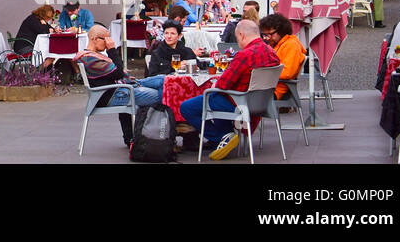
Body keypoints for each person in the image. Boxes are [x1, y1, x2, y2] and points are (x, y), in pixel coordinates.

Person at [177, 18, 280, 160]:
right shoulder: (272, 52)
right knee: (218, 97)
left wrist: (214, 85)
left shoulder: (244, 55)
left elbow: (223, 85)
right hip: (262, 103)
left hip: (240, 104)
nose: (238, 42)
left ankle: (221, 137)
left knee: (190, 106)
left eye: (237, 38)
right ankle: (222, 138)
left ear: (242, 35)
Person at [77, 25, 159, 146]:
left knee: (162, 81)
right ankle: (161, 135)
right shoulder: (90, 59)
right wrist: (112, 50)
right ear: (95, 39)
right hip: (112, 95)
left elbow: (116, 73)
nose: (108, 43)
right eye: (106, 39)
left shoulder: (89, 55)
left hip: (116, 89)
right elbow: (119, 72)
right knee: (161, 95)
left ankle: (130, 138)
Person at [259, 13, 305, 101]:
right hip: (268, 87)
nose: (267, 38)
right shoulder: (279, 44)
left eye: (270, 34)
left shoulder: (291, 45)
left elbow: (287, 73)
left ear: (281, 31)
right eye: (264, 35)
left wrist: (262, 73)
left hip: (275, 91)